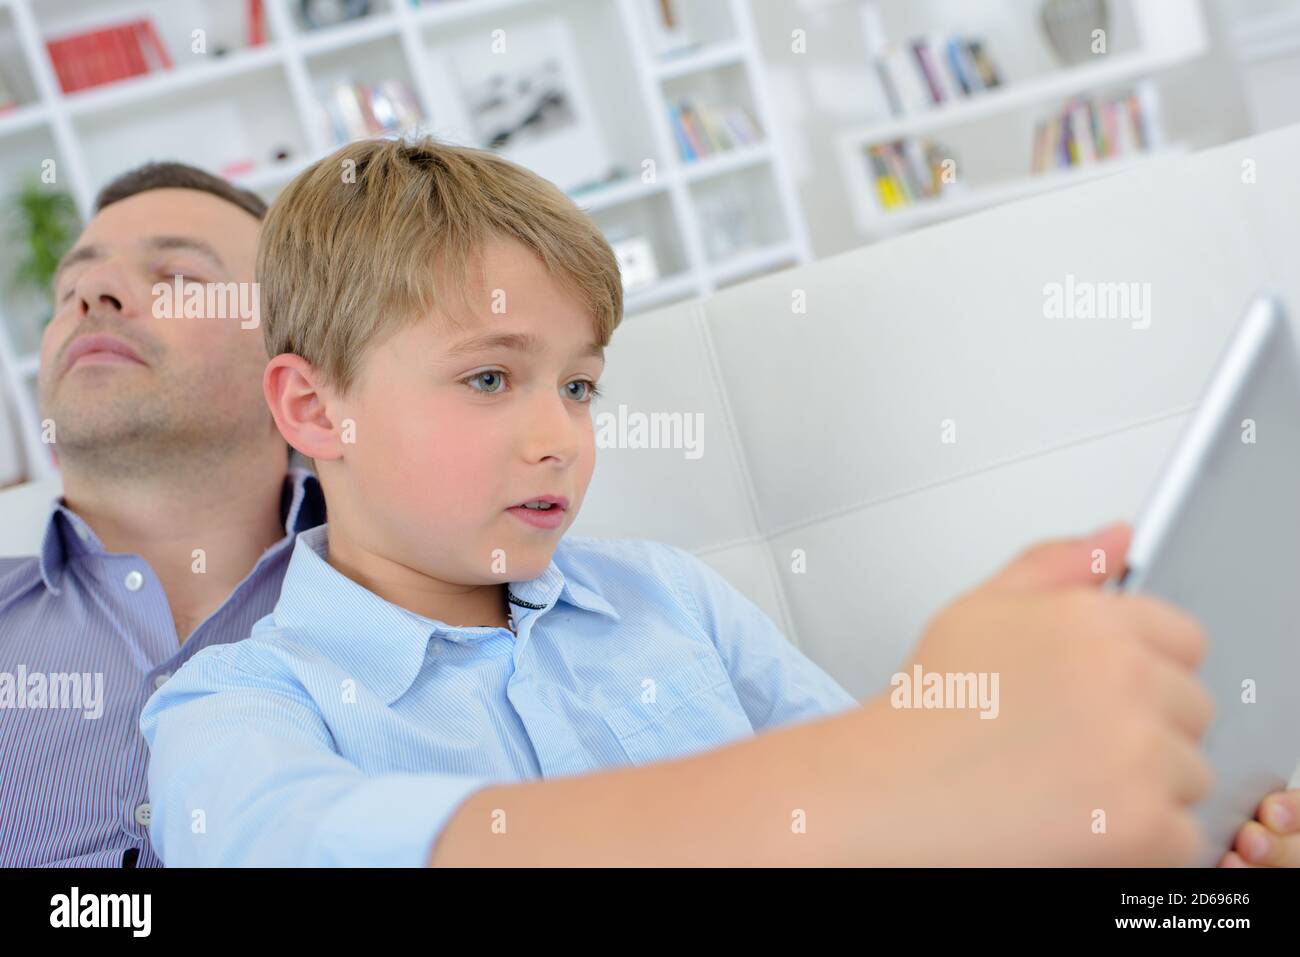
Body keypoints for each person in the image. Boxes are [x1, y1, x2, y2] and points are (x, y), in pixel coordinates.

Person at [138, 137, 1299, 866]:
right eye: (489, 377)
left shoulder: (666, 598)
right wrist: (906, 761)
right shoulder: (231, 713)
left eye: (580, 386)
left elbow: (901, 837)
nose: (558, 438)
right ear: (310, 408)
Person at [0, 164, 325, 867]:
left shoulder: (424, 604)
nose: (91, 293)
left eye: (178, 277)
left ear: (296, 367)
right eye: (69, 288)